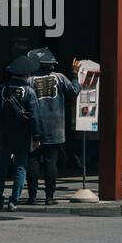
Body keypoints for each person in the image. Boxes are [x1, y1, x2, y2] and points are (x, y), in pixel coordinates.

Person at [25, 48, 81, 206]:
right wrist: (75, 74)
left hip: (35, 127)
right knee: (51, 162)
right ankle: (49, 197)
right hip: (55, 127)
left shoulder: (30, 80)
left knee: (33, 161)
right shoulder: (60, 77)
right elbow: (74, 91)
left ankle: (32, 196)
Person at [0, 55, 39, 211]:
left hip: (5, 134)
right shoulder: (29, 92)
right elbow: (34, 117)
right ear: (26, 74)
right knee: (20, 167)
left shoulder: (2, 89)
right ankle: (13, 201)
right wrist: (37, 136)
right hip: (23, 135)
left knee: (2, 168)